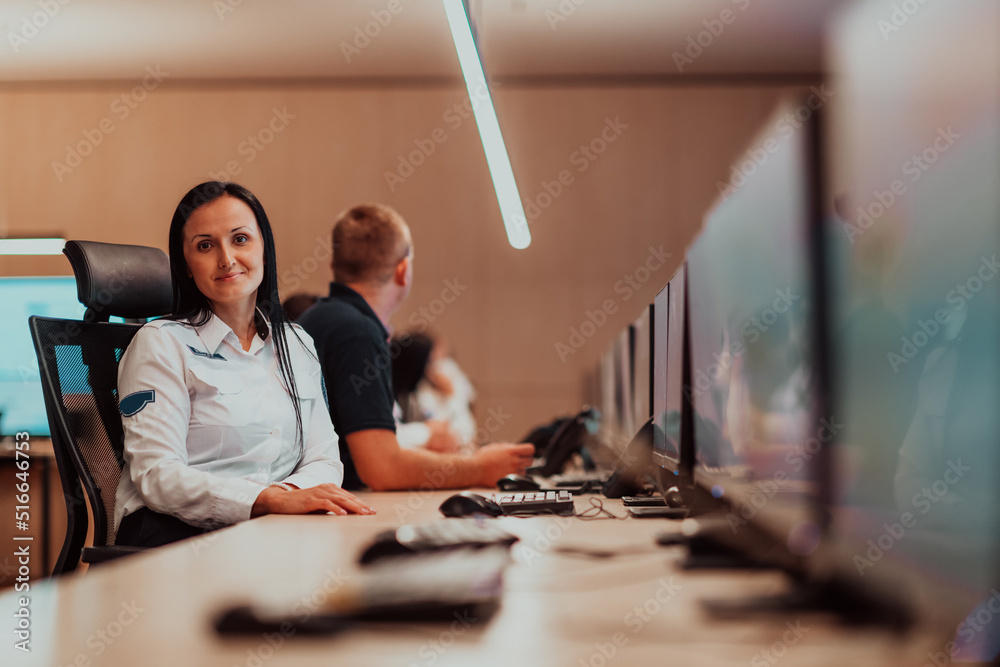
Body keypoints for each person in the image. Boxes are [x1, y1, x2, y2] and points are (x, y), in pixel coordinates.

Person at [114, 182, 373, 549]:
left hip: (263, 533)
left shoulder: (296, 343)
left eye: (240, 239)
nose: (226, 259)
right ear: (186, 266)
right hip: (174, 537)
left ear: (264, 250)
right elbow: (158, 477)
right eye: (205, 245)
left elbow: (324, 458)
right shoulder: (161, 344)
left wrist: (285, 496)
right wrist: (266, 500)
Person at [297, 203, 534, 491]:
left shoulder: (322, 318)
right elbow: (382, 469)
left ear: (334, 265)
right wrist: (481, 468)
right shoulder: (356, 332)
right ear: (403, 270)